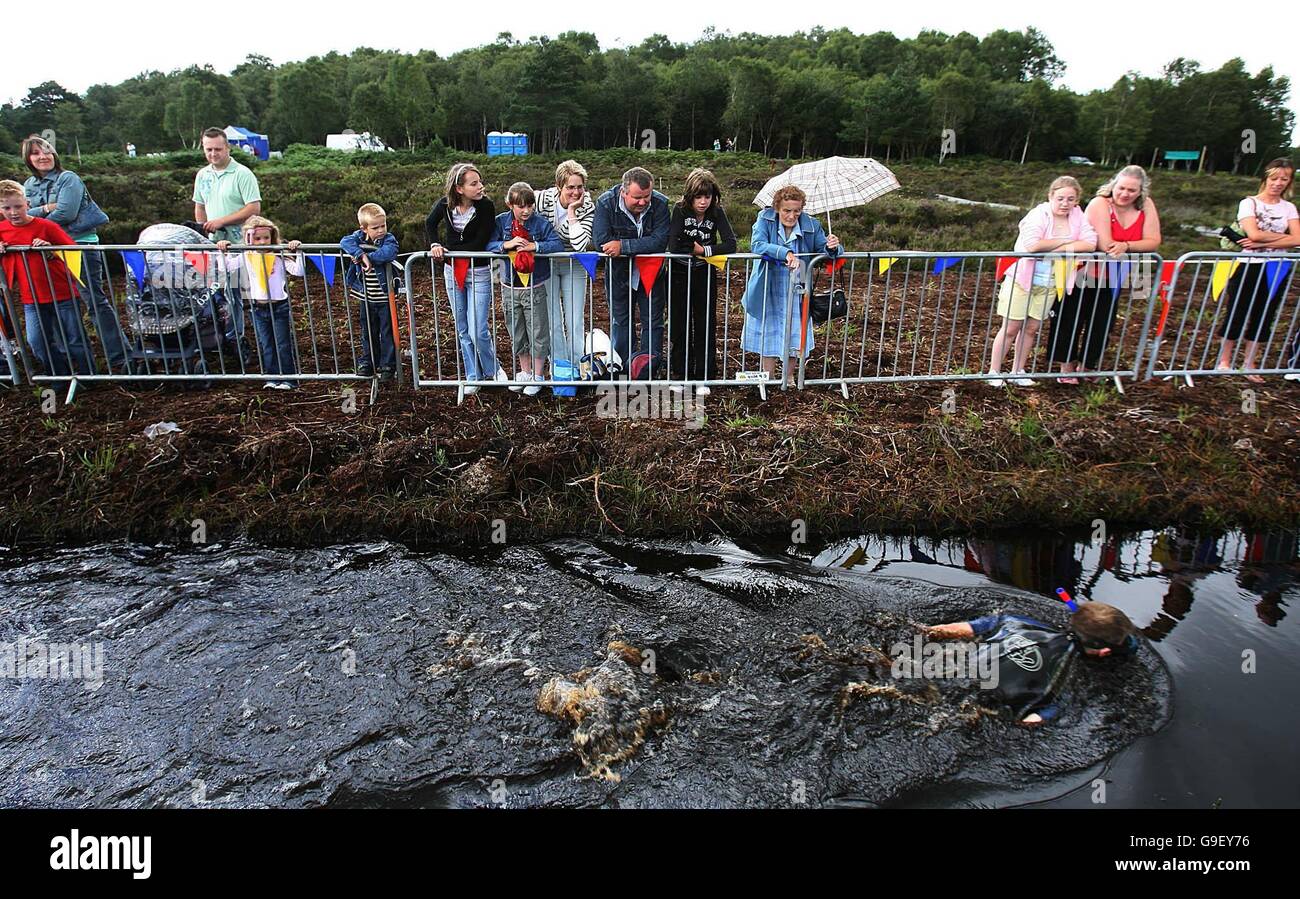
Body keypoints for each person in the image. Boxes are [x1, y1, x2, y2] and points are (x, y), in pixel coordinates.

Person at [923, 601, 1138, 726]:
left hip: (947, 671)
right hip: (972, 705)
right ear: (1104, 651)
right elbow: (1037, 718)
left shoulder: (1017, 623)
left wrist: (925, 632)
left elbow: (960, 629)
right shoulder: (1068, 676)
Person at [21, 134, 130, 374]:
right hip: (47, 251)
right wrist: (46, 208)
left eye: (47, 151)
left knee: (94, 302)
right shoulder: (28, 185)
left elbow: (66, 213)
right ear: (28, 158)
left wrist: (37, 216)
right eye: (36, 153)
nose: (43, 157)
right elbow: (22, 216)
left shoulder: (68, 178)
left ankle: (120, 357)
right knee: (60, 304)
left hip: (78, 246)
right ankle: (78, 362)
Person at [1048, 165, 1162, 383]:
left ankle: (1088, 365)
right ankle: (1066, 367)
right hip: (1082, 273)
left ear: (1141, 192)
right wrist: (1127, 246)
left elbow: (1154, 241)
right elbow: (1105, 244)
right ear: (1113, 185)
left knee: (1102, 323)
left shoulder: (1146, 205)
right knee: (1070, 319)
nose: (1125, 194)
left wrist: (1126, 245)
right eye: (1121, 188)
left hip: (1114, 277)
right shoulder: (1100, 203)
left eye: (1131, 190)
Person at [988, 176, 1097, 388]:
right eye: (1060, 198)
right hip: (1022, 279)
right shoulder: (1038, 214)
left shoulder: (1077, 215)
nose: (1065, 203)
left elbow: (1090, 242)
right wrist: (1069, 242)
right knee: (1011, 328)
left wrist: (1054, 247)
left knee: (1031, 328)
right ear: (1050, 197)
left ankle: (1018, 370)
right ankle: (994, 371)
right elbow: (1032, 245)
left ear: (1077, 200)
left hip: (1050, 282)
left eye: (1070, 199)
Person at [741, 185, 840, 381]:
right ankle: (767, 378)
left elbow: (825, 252)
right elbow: (757, 244)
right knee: (768, 330)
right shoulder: (764, 218)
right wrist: (784, 253)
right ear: (777, 208)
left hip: (798, 286)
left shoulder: (812, 224)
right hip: (768, 284)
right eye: (787, 211)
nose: (792, 216)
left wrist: (833, 247)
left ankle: (789, 378)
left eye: (797, 211)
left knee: (796, 329)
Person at [1215, 157, 1300, 382]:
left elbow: (1298, 238)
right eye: (1274, 178)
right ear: (1266, 178)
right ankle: (1224, 360)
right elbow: (1253, 234)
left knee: (1265, 314)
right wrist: (1281, 239)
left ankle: (1249, 363)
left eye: (1284, 179)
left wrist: (1263, 243)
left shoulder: (1289, 208)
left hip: (1277, 267)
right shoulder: (1249, 203)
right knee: (1237, 310)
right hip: (1247, 265)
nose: (1278, 183)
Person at [426, 162, 506, 395]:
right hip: (452, 272)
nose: (480, 186)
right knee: (462, 328)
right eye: (474, 183)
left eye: (480, 181)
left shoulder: (486, 207)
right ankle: (473, 375)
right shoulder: (444, 205)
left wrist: (452, 249)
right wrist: (434, 244)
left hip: (479, 273)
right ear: (459, 189)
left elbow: (481, 241)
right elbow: (430, 223)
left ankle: (493, 369)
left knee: (478, 329)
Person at [0, 180, 93, 375]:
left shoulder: (45, 226)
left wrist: (50, 248)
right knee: (37, 341)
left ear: (27, 204)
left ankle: (88, 374)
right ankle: (59, 374)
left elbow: (73, 250)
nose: (13, 212)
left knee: (75, 337)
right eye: (7, 208)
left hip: (62, 292)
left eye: (18, 206)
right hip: (31, 297)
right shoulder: (2, 230)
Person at [487, 182, 564, 396]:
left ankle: (538, 375)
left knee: (538, 331)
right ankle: (524, 372)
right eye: (521, 206)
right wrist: (505, 245)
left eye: (529, 205)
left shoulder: (540, 223)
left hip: (535, 286)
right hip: (509, 286)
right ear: (509, 204)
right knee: (517, 331)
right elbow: (488, 244)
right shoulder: (500, 222)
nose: (526, 210)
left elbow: (556, 244)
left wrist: (536, 246)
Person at [592, 166, 671, 376]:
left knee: (653, 321)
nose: (643, 202)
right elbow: (601, 240)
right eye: (637, 197)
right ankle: (623, 367)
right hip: (619, 274)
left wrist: (623, 246)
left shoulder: (661, 204)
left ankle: (648, 368)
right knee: (621, 320)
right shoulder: (605, 203)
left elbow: (660, 240)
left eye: (647, 196)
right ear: (623, 192)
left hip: (652, 274)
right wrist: (636, 245)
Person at [193, 127, 262, 362]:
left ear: (227, 148)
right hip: (214, 246)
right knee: (215, 295)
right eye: (208, 149)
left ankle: (237, 339)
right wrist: (202, 233)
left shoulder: (242, 174)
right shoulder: (202, 175)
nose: (213, 154)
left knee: (239, 296)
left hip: (239, 244)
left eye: (218, 149)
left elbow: (253, 208)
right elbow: (200, 205)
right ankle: (217, 338)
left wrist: (221, 221)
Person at [667, 167, 736, 393]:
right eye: (698, 197)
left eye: (707, 196)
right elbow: (675, 243)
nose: (703, 202)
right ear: (690, 196)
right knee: (679, 323)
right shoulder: (679, 210)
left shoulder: (717, 212)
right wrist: (693, 247)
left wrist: (703, 250)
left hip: (704, 272)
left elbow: (730, 243)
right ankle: (681, 374)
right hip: (679, 274)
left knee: (705, 323)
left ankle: (705, 375)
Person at [215, 216, 304, 389]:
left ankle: (289, 379)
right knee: (266, 344)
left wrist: (297, 252)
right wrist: (222, 252)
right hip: (258, 308)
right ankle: (272, 377)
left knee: (283, 344)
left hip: (279, 306)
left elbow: (298, 271)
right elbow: (225, 268)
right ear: (249, 239)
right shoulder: (247, 256)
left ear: (272, 237)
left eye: (266, 237)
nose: (262, 242)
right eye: (257, 238)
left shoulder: (279, 255)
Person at [535, 160, 595, 374]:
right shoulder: (541, 199)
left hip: (575, 264)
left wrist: (571, 212)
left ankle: (579, 366)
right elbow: (517, 206)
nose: (576, 191)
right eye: (570, 187)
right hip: (546, 264)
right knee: (552, 318)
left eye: (580, 187)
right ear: (558, 186)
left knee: (574, 319)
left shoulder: (587, 206)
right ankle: (560, 368)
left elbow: (580, 245)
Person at [341, 203, 400, 381]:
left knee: (387, 331)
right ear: (364, 228)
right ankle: (368, 361)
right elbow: (345, 242)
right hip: (365, 297)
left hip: (385, 297)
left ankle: (388, 365)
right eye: (375, 227)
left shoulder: (388, 239)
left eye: (383, 225)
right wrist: (360, 254)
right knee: (368, 331)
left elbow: (389, 253)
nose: (381, 230)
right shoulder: (358, 238)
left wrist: (368, 257)